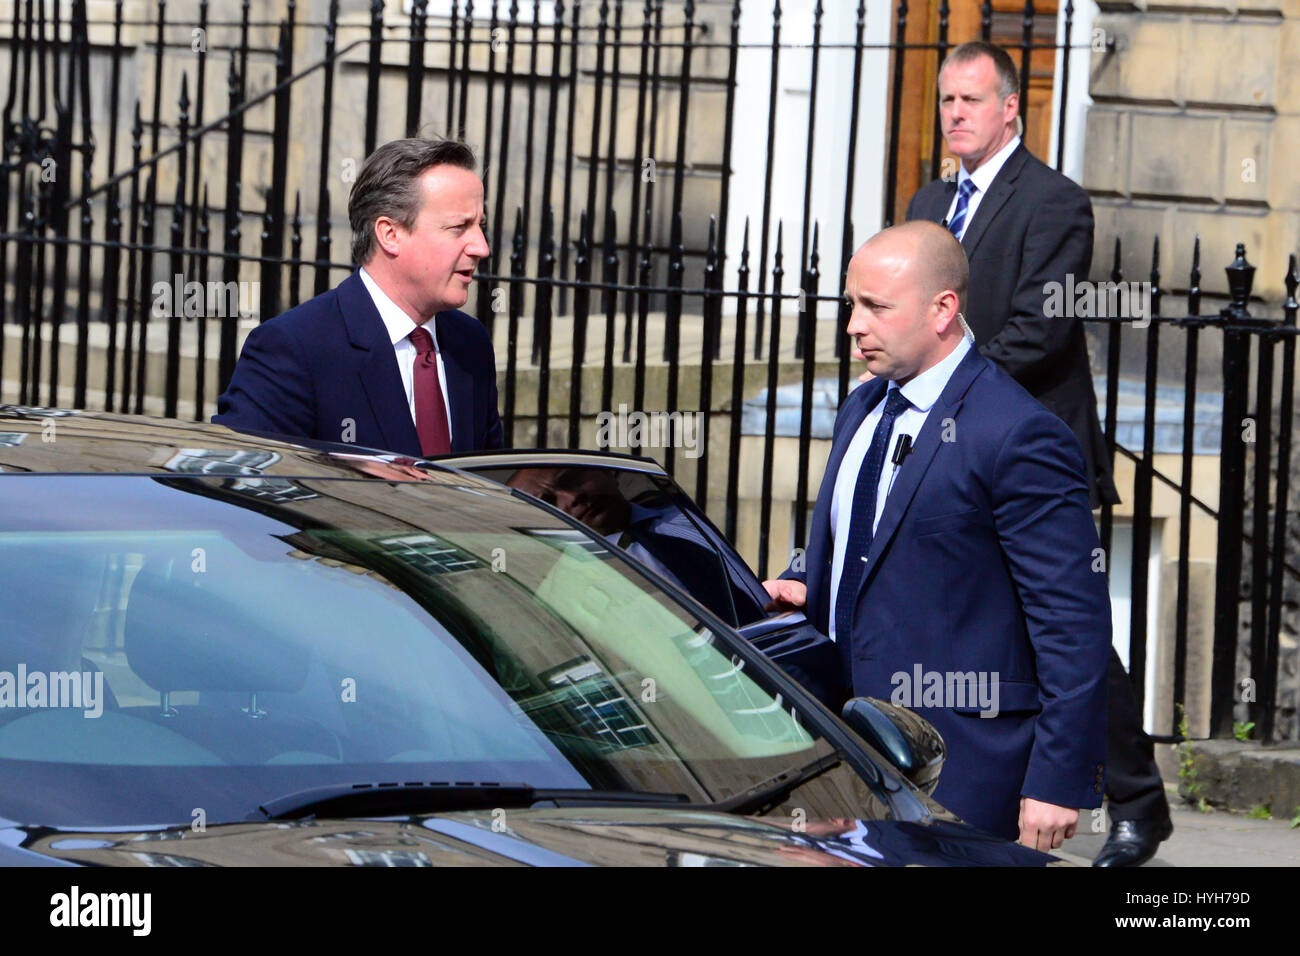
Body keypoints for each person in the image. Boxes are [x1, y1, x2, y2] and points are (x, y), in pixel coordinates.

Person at [905, 41, 1173, 866]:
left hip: (1032, 449)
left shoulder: (1054, 202)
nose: (955, 114)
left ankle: (1137, 804)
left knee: (1068, 625)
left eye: (971, 101)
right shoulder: (928, 199)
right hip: (945, 446)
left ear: (1011, 108)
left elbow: (1042, 328)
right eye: (947, 100)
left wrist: (948, 380)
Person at [764, 222, 1110, 851]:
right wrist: (804, 581)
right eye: (851, 306)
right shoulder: (863, 406)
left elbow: (1073, 622)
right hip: (843, 752)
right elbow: (866, 544)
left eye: (875, 307)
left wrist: (1058, 779)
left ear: (942, 309)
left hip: (963, 767)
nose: (854, 326)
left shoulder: (1016, 433)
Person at [214, 137, 503, 456]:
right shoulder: (294, 349)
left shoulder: (470, 343)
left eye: (480, 225)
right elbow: (244, 487)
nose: (481, 247)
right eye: (459, 227)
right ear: (390, 234)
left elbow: (485, 483)